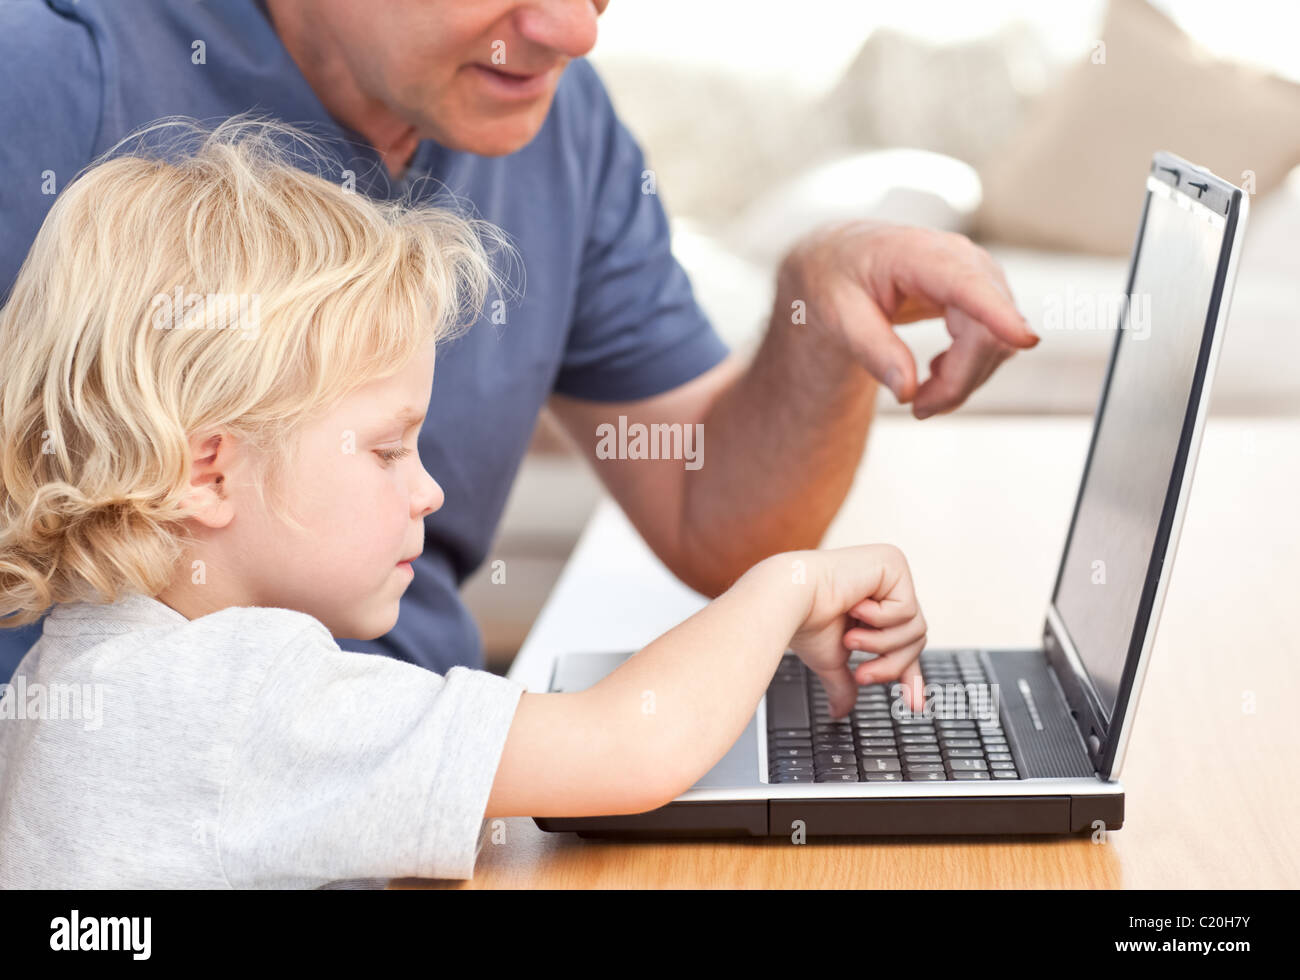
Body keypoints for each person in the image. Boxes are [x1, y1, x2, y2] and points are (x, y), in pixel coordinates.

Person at [0, 121, 926, 887]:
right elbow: (626, 748)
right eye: (387, 449)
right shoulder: (238, 698)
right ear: (208, 475)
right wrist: (790, 588)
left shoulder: (85, 666)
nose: (430, 489)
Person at [0, 0, 1036, 683]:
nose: (571, 29)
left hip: (414, 799)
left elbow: (708, 510)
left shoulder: (552, 118)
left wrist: (814, 308)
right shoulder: (45, 74)